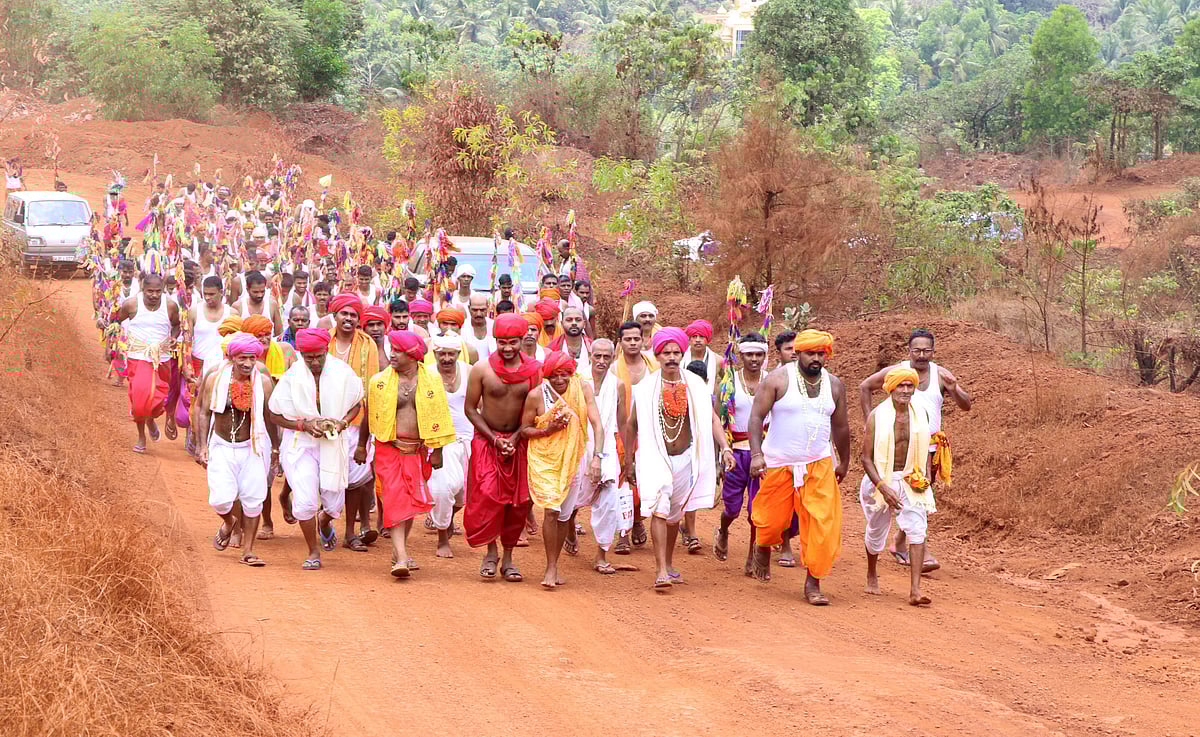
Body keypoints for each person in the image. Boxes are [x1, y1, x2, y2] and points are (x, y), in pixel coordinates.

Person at [624, 328, 733, 590]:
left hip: (686, 457)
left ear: (682, 354)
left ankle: (669, 563)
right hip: (654, 457)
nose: (671, 357)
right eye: (666, 353)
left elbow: (712, 419)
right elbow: (632, 426)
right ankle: (661, 570)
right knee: (660, 510)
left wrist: (725, 448)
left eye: (676, 352)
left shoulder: (694, 385)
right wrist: (628, 461)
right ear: (658, 355)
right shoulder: (646, 387)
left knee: (674, 516)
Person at [748, 329, 850, 606]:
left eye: (821, 354)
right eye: (811, 353)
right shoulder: (778, 379)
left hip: (818, 463)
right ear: (799, 353)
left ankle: (813, 582)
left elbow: (841, 427)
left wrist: (845, 460)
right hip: (779, 463)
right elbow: (756, 417)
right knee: (771, 522)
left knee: (822, 525)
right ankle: (763, 546)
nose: (816, 358)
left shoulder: (835, 385)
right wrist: (756, 455)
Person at [858, 328, 968, 573]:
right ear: (908, 351)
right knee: (915, 497)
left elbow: (966, 405)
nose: (921, 355)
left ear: (933, 351)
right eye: (916, 350)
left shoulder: (940, 375)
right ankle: (920, 547)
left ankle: (900, 542)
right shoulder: (897, 372)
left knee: (921, 494)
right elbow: (865, 387)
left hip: (928, 447)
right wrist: (870, 424)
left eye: (927, 350)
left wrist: (955, 387)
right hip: (897, 446)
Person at [357, 330, 455, 578]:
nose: (393, 354)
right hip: (388, 449)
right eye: (392, 349)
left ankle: (399, 550)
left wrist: (438, 450)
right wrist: (361, 445)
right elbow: (369, 416)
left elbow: (441, 416)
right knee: (394, 500)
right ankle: (400, 557)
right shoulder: (379, 382)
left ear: (412, 356)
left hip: (417, 451)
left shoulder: (432, 381)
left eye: (398, 351)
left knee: (409, 504)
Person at [267, 328, 365, 570]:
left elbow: (356, 404)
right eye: (308, 357)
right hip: (301, 444)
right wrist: (302, 424)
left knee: (333, 505)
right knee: (305, 503)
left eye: (318, 356)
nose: (314, 361)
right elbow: (274, 413)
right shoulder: (292, 376)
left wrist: (343, 422)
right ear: (301, 353)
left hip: (333, 443)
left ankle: (324, 522)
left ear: (326, 350)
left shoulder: (343, 373)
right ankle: (313, 551)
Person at [463, 313, 542, 582]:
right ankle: (490, 552)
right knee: (488, 497)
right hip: (487, 441)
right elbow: (470, 409)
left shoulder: (535, 372)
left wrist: (517, 438)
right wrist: (495, 440)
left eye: (513, 343)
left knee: (518, 503)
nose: (507, 349)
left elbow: (536, 411)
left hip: (521, 442)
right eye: (502, 342)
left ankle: (508, 558)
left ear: (523, 340)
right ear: (494, 341)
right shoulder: (481, 369)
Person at [520, 350, 604, 589]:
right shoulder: (536, 396)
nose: (560, 380)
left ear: (571, 374)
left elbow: (597, 425)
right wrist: (548, 430)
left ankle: (554, 563)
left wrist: (597, 456)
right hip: (544, 459)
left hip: (573, 458)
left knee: (564, 516)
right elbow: (525, 430)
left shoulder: (583, 389)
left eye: (564, 375)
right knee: (551, 511)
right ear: (547, 375)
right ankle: (550, 568)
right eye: (555, 375)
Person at [194, 333, 278, 567]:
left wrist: (275, 449)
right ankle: (229, 522)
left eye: (252, 358)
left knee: (253, 502)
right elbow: (203, 412)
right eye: (242, 358)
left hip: (252, 446)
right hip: (221, 445)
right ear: (232, 357)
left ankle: (248, 551)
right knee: (220, 500)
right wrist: (201, 446)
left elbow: (269, 417)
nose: (247, 364)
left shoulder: (263, 381)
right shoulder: (215, 378)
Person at [861, 367, 937, 606]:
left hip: (910, 478)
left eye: (909, 386)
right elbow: (865, 458)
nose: (905, 391)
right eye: (901, 386)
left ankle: (915, 590)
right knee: (876, 531)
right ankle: (872, 572)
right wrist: (883, 486)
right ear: (891, 388)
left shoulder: (921, 413)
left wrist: (924, 474)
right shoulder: (877, 416)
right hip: (881, 479)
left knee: (917, 530)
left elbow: (925, 446)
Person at [712, 334, 784, 572]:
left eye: (759, 355)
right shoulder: (729, 382)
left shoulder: (775, 381)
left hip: (764, 454)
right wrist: (723, 451)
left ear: (765, 356)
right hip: (736, 454)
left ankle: (753, 557)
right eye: (749, 354)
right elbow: (718, 420)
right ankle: (723, 529)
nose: (754, 359)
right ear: (740, 355)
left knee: (757, 509)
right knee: (732, 507)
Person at [574, 339, 636, 574]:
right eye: (597, 356)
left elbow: (623, 422)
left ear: (613, 357)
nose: (601, 361)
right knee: (572, 498)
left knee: (609, 500)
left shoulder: (618, 384)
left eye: (606, 357)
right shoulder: (578, 379)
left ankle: (602, 554)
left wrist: (627, 454)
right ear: (590, 354)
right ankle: (569, 527)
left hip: (607, 446)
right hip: (579, 444)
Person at [326, 293, 381, 551]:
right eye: (344, 314)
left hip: (358, 421)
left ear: (359, 319)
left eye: (353, 315)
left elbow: (371, 388)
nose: (348, 319)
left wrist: (366, 435)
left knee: (358, 479)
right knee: (327, 477)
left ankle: (351, 532)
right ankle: (325, 519)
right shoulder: (324, 341)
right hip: (325, 420)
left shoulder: (367, 344)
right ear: (334, 316)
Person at [109, 273, 181, 453]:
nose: (154, 295)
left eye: (158, 291)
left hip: (162, 359)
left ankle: (150, 419)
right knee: (139, 401)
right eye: (150, 291)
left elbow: (177, 325)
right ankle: (141, 436)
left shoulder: (170, 305)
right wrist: (109, 327)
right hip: (138, 357)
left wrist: (173, 337)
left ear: (163, 290)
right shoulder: (131, 304)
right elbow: (116, 321)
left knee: (157, 402)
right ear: (143, 288)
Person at [425, 334, 474, 558]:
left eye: (450, 354)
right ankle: (442, 537)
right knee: (442, 489)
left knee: (465, 495)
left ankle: (445, 518)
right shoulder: (427, 374)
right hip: (440, 440)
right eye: (441, 353)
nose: (446, 358)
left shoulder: (469, 372)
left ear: (457, 354)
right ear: (434, 354)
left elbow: (479, 404)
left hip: (470, 439)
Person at [612, 320, 657, 553]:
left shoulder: (654, 368)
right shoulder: (612, 370)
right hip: (621, 434)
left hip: (649, 433)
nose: (632, 342)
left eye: (636, 338)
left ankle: (638, 520)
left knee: (644, 481)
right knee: (623, 483)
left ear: (643, 340)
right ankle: (623, 532)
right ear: (620, 342)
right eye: (627, 339)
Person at [234, 271, 282, 336]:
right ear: (247, 290)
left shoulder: (272, 304)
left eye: (262, 291)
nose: (259, 295)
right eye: (255, 292)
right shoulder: (238, 307)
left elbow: (279, 333)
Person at [547, 306, 591, 377]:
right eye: (569, 320)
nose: (574, 323)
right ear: (561, 324)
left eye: (578, 320)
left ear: (584, 324)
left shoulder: (593, 347)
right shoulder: (551, 349)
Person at [684, 320, 721, 395]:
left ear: (707, 339)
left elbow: (728, 382)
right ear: (689, 339)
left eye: (701, 336)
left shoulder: (718, 360)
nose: (698, 340)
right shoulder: (680, 358)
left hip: (710, 403)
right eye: (694, 336)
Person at [462, 293, 493, 361]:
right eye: (475, 310)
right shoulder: (462, 327)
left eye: (482, 310)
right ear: (468, 308)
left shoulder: (494, 326)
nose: (478, 314)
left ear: (487, 308)